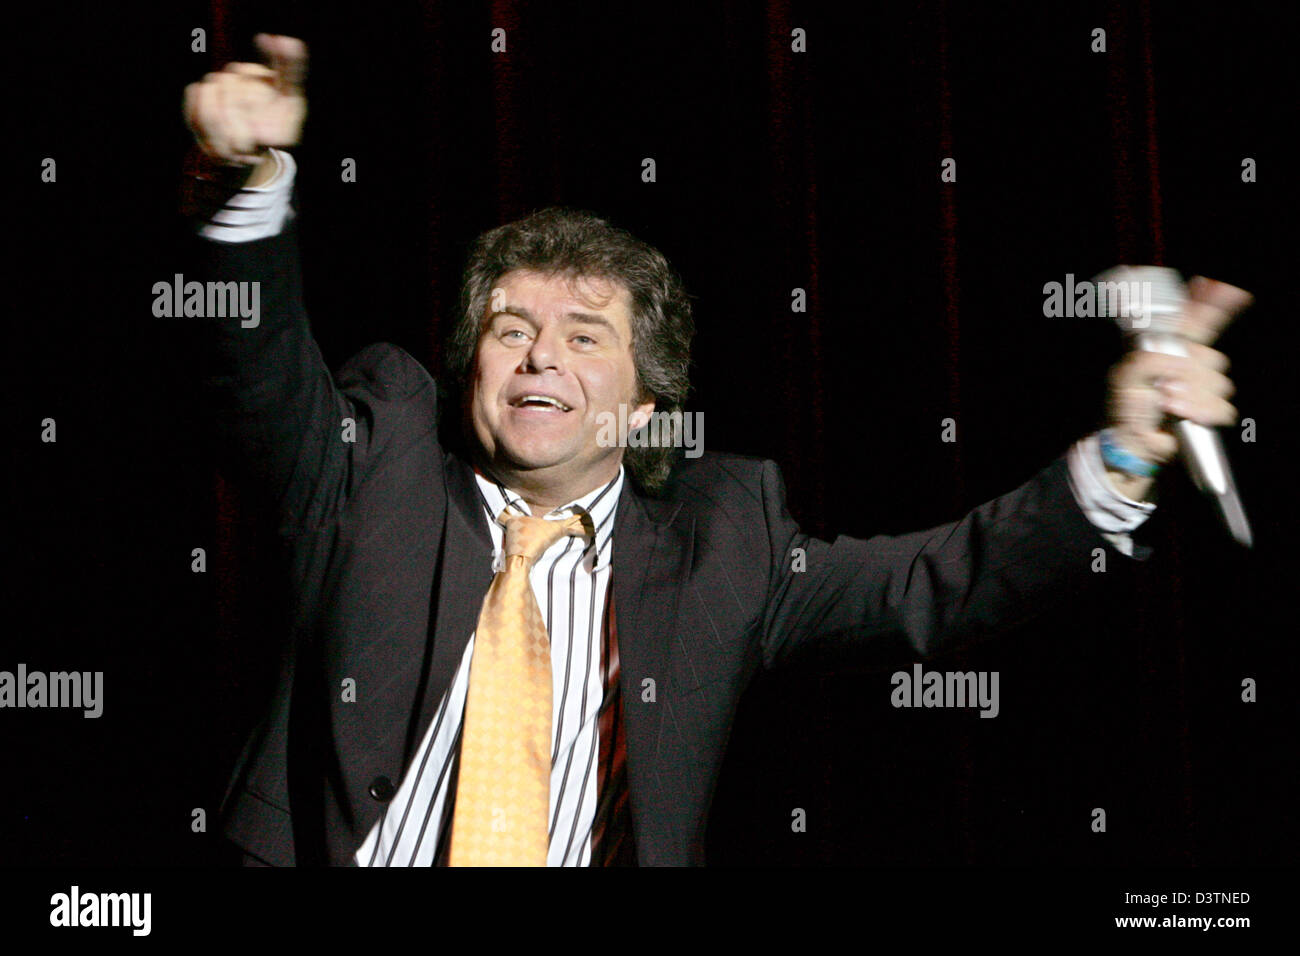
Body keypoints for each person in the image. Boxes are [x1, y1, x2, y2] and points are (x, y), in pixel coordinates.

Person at [178, 35, 1249, 866]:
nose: (538, 356)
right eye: (511, 330)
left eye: (584, 337)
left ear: (644, 406)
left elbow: (938, 578)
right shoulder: (383, 457)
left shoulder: (724, 539)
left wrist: (1123, 455)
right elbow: (259, 373)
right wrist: (253, 186)